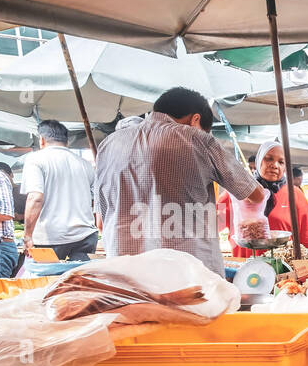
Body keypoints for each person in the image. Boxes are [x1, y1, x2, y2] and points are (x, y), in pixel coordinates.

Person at [94, 86, 264, 274]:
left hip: (125, 276)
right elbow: (255, 194)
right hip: (187, 277)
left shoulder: (108, 145)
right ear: (196, 119)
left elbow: (101, 222)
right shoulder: (197, 139)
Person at [220, 141, 308, 256]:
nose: (275, 165)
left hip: (283, 271)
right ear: (258, 162)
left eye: (281, 162)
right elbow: (208, 225)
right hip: (245, 269)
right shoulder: (238, 193)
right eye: (268, 159)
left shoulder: (295, 195)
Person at [21, 120, 98, 262]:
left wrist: (27, 235)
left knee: (46, 280)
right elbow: (95, 200)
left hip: (50, 238)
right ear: (66, 141)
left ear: (42, 140)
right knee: (79, 281)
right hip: (85, 235)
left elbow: (35, 197)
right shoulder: (84, 164)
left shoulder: (35, 159)